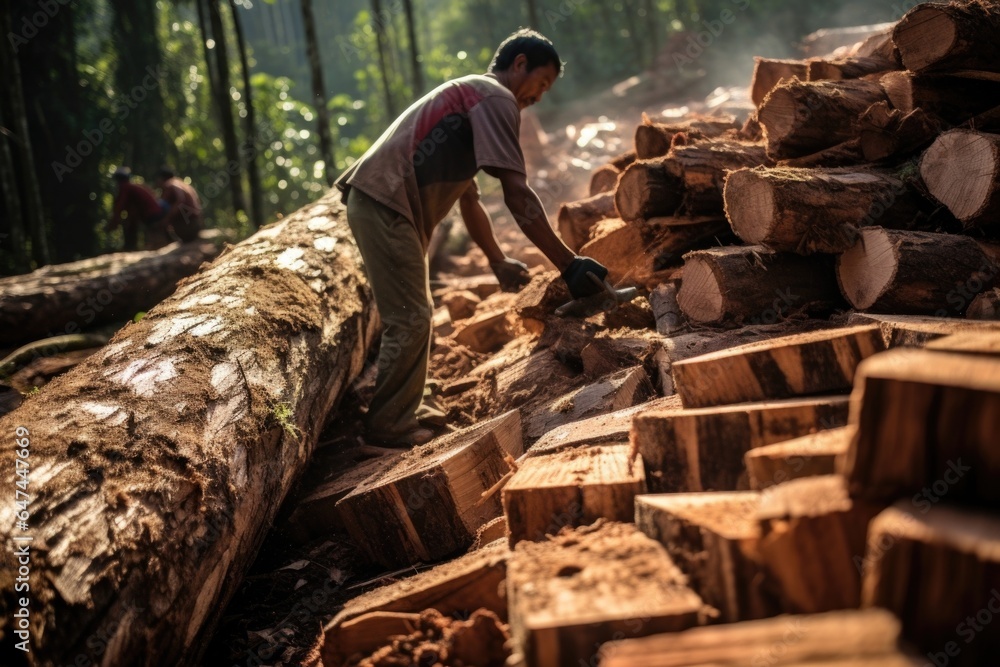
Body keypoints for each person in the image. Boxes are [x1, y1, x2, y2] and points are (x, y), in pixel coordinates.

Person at [336, 28, 610, 447]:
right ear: (519, 64)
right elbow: (517, 194)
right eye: (541, 83)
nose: (539, 96)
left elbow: (471, 202)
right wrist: (568, 264)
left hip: (383, 201)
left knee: (417, 309)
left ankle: (416, 402)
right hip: (385, 201)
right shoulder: (494, 97)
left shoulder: (469, 98)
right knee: (410, 318)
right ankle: (387, 427)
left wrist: (497, 260)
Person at [109, 166, 166, 251]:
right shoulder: (134, 186)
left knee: (155, 238)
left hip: (152, 214)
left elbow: (119, 208)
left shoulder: (126, 187)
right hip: (155, 212)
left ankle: (132, 248)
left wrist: (113, 224)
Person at [155, 167, 203, 243]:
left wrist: (167, 219)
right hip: (196, 224)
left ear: (162, 178)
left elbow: (180, 200)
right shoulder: (182, 183)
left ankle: (162, 242)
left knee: (160, 207)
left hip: (187, 227)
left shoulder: (170, 184)